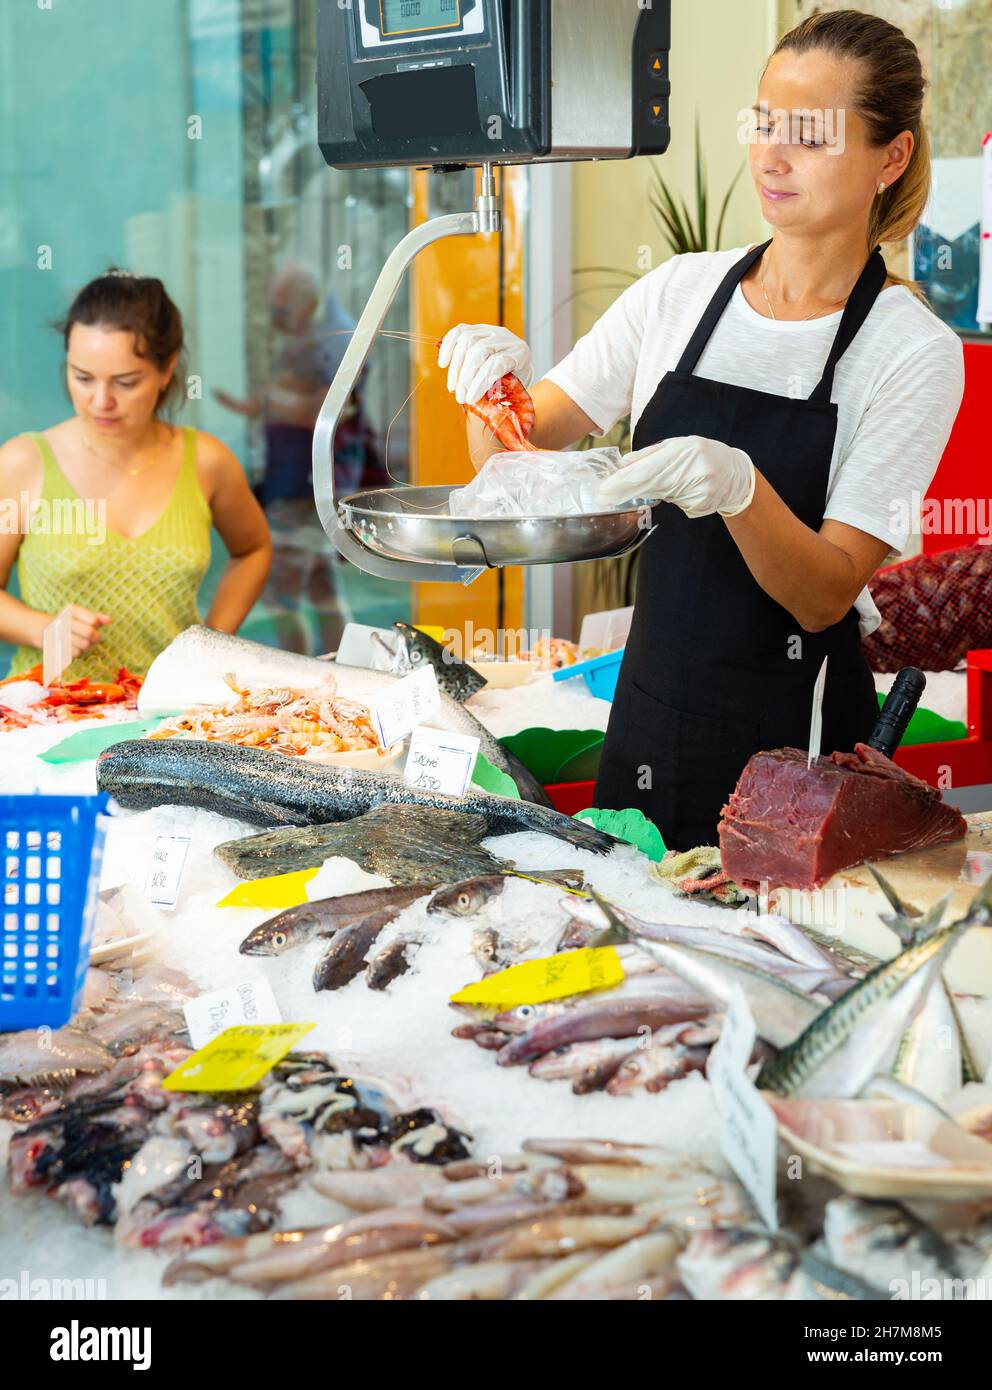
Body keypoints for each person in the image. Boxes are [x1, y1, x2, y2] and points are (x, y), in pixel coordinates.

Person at [439, 9, 965, 851]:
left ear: (890, 157)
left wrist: (738, 488)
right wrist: (485, 390)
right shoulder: (677, 293)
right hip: (649, 715)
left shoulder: (915, 352)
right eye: (763, 125)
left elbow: (826, 591)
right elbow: (513, 461)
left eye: (809, 136)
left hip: (798, 756)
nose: (771, 156)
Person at [0, 269, 272, 681]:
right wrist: (41, 629)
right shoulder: (22, 463)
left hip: (172, 715)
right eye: (82, 377)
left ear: (167, 370)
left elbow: (253, 549)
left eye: (125, 382)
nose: (100, 401)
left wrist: (213, 641)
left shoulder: (207, 461)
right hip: (48, 718)